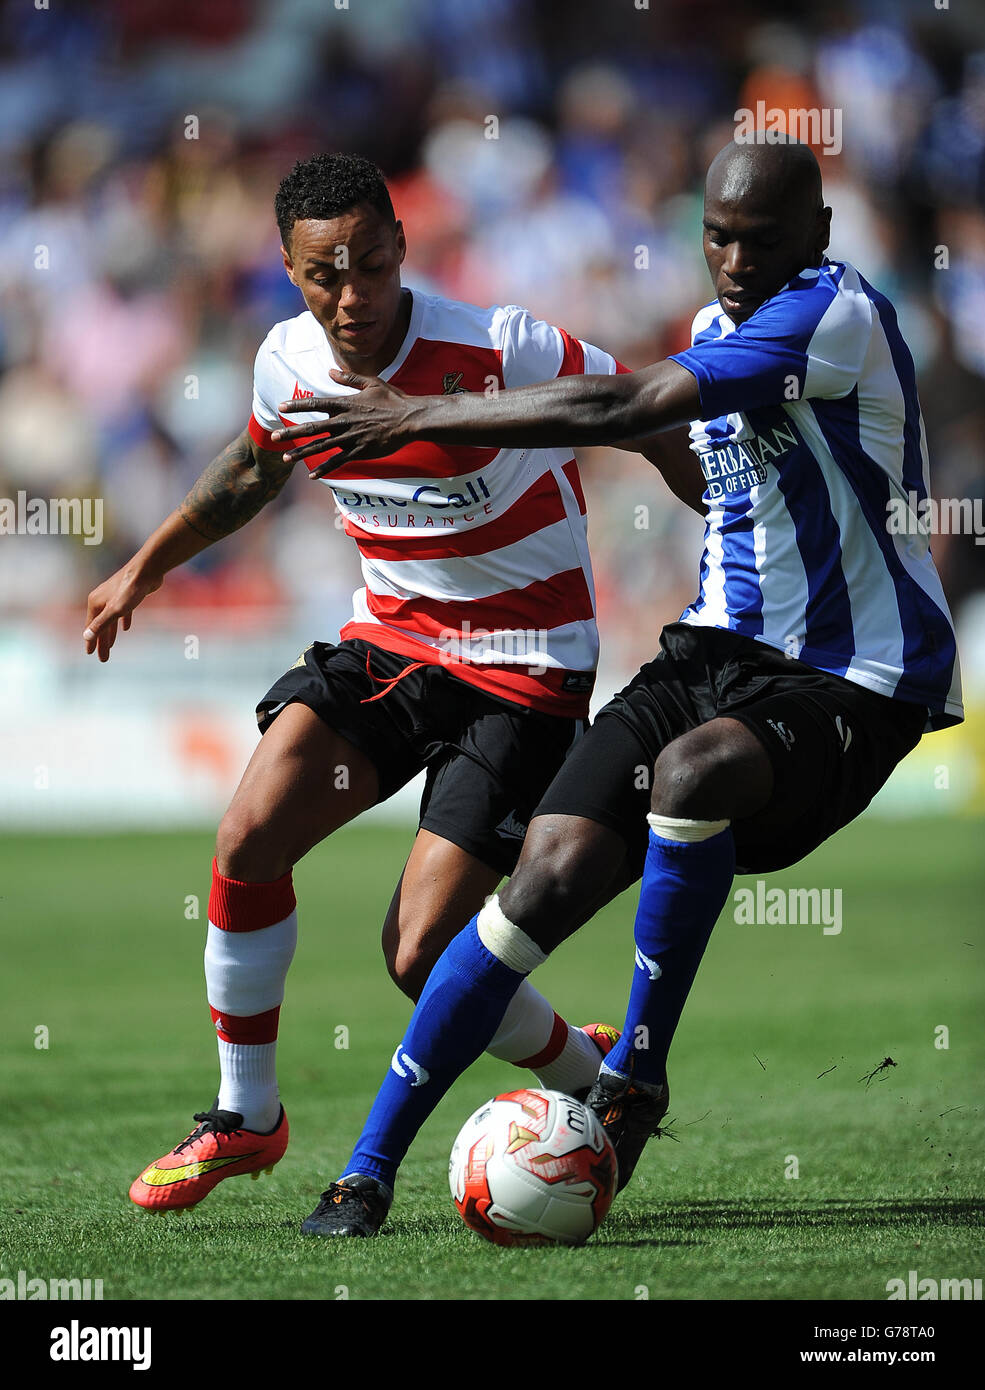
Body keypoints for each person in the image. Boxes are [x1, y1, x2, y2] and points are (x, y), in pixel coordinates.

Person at [274, 137, 963, 1238]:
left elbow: (621, 406)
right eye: (719, 237)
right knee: (540, 874)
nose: (735, 261)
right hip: (708, 657)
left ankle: (632, 1078)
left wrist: (420, 415)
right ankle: (364, 1169)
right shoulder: (712, 328)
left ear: (819, 239)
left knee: (691, 773)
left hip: (851, 677)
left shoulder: (832, 317)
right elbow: (686, 450)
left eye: (764, 239)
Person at [83, 153, 703, 1212]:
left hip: (526, 665)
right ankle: (246, 1118)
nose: (352, 294)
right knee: (247, 838)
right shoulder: (286, 364)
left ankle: (575, 1072)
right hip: (395, 644)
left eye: (372, 265)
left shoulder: (497, 344)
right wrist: (148, 561)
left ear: (401, 249)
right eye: (326, 273)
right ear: (286, 267)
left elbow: (638, 412)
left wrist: (738, 544)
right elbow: (253, 465)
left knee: (418, 955)